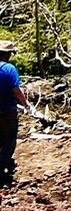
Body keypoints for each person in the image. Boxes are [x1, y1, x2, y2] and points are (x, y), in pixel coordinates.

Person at [0, 40, 28, 187]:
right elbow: (16, 91)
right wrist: (26, 105)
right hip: (7, 111)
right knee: (9, 141)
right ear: (7, 54)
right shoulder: (9, 69)